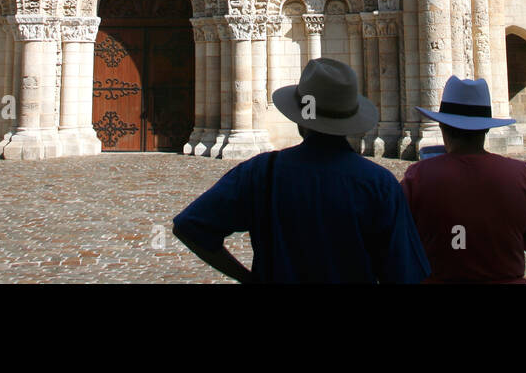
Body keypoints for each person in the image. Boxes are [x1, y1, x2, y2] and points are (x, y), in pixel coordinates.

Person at [172, 58, 429, 284]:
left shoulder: (261, 172)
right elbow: (405, 273)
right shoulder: (379, 184)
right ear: (350, 120)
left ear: (299, 120)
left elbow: (189, 226)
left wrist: (247, 278)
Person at [401, 77, 526, 283]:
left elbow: (399, 243)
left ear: (443, 126)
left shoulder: (417, 176)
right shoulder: (520, 174)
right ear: (486, 128)